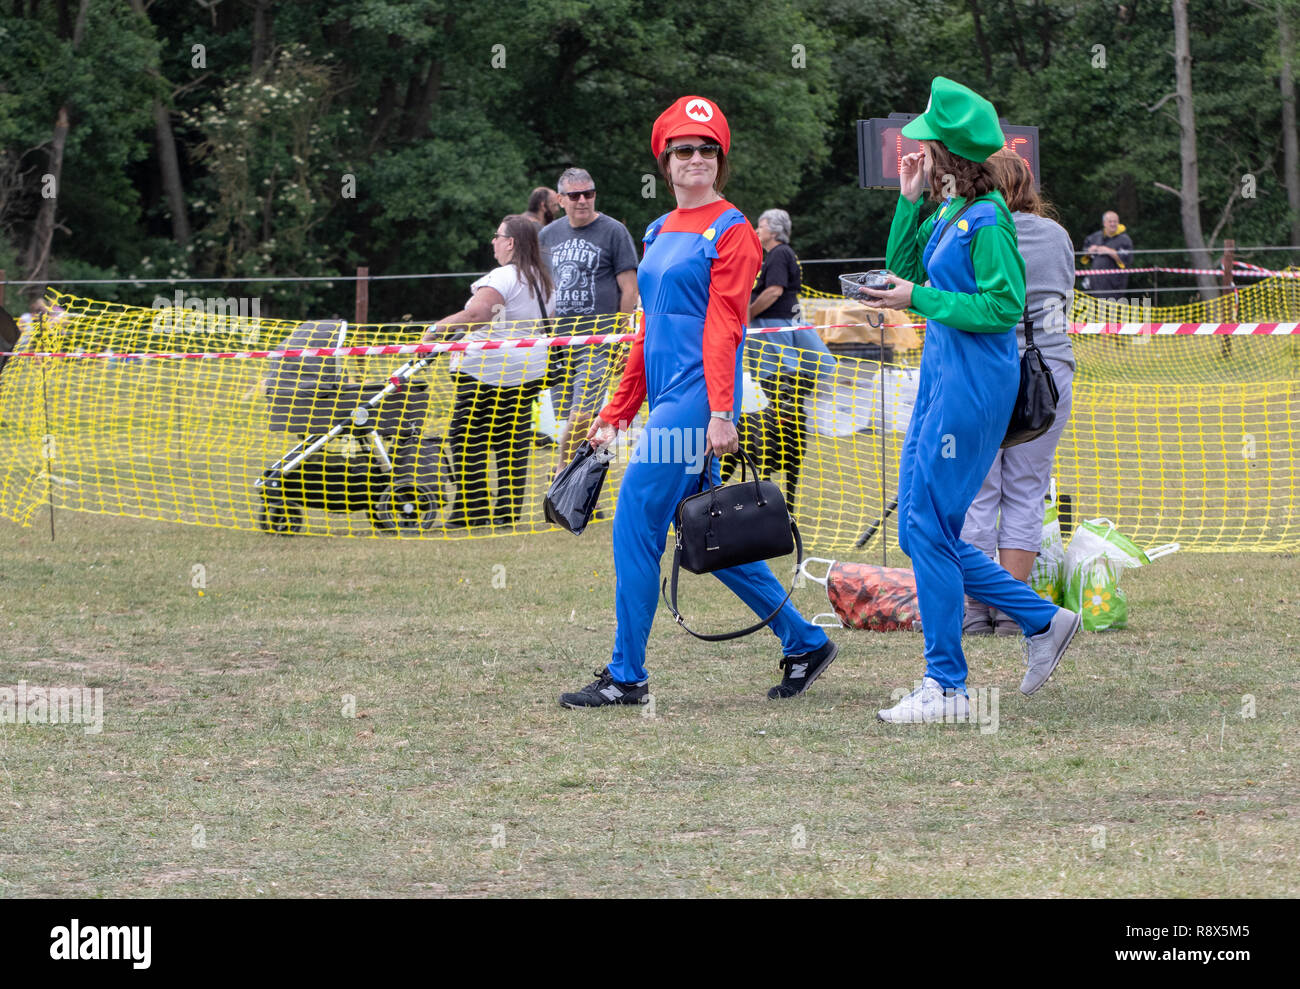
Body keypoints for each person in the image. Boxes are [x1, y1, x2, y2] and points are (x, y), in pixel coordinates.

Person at [559, 95, 837, 708]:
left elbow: (726, 326)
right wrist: (615, 414)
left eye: (707, 150)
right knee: (706, 534)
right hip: (670, 398)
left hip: (697, 401)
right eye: (684, 149)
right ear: (666, 159)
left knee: (636, 522)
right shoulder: (658, 229)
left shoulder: (733, 230)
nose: (696, 158)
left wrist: (719, 412)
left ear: (720, 159)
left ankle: (626, 676)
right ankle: (806, 641)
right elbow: (648, 331)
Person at [859, 77, 1081, 723]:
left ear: (948, 155)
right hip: (940, 380)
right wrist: (905, 203)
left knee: (929, 527)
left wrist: (919, 299)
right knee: (917, 528)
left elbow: (1003, 306)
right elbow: (900, 269)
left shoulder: (988, 219)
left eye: (924, 146)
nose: (915, 151)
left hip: (973, 385)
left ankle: (948, 683)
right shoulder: (948, 212)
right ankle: (1039, 621)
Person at [960, 149, 1077, 636]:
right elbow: (1064, 296)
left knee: (977, 493)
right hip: (1048, 369)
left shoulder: (974, 230)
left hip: (987, 369)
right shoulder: (1056, 235)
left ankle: (973, 610)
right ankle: (1013, 610)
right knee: (1027, 492)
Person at [422, 214, 553, 527]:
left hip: (486, 374)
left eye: (498, 236)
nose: (493, 241)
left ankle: (472, 512)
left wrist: (436, 329)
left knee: (467, 440)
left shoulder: (503, 276)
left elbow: (477, 314)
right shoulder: (544, 278)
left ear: (510, 242)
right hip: (528, 373)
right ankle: (507, 514)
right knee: (512, 442)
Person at [538, 167, 639, 478]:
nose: (583, 200)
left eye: (589, 193)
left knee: (583, 411)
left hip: (598, 339)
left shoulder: (613, 231)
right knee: (575, 414)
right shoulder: (548, 235)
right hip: (559, 341)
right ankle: (586, 478)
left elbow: (630, 287)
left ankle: (561, 472)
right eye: (575, 195)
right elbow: (544, 287)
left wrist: (621, 334)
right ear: (560, 199)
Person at [745, 208, 835, 387]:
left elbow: (774, 291)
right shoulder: (784, 252)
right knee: (794, 370)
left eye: (761, 226)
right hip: (789, 318)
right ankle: (793, 409)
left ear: (774, 231)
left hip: (773, 321)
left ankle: (786, 412)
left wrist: (749, 314)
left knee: (778, 374)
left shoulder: (779, 253)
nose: (757, 230)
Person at [1080, 210, 1134, 300]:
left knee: (1111, 312)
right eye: (1110, 222)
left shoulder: (1125, 240)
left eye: (1115, 221)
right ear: (1104, 223)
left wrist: (1110, 251)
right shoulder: (1095, 237)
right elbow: (1085, 256)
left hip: (1113, 286)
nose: (1113, 224)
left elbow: (1127, 261)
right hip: (1095, 285)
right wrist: (1090, 251)